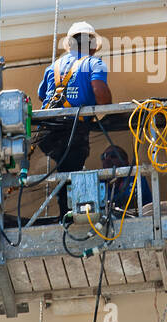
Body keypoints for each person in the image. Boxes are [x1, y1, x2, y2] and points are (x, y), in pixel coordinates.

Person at [37, 21, 112, 217]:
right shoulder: (94, 63)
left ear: (69, 45)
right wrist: (103, 108)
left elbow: (42, 95)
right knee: (72, 171)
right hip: (72, 131)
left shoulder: (52, 67)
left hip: (47, 132)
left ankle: (67, 211)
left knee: (66, 170)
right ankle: (70, 215)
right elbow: (99, 91)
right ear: (94, 47)